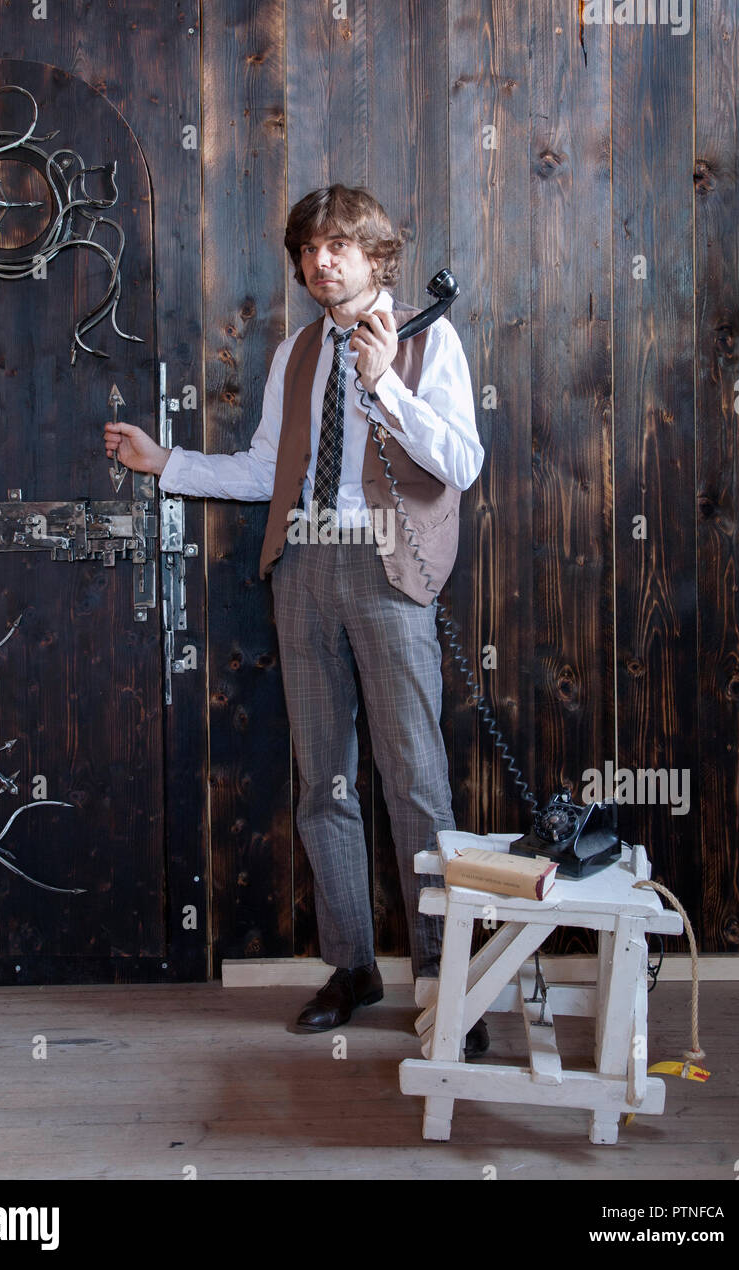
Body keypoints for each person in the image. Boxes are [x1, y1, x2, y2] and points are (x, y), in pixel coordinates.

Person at [104, 184, 490, 1057]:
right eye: (310, 249)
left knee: (416, 777)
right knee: (326, 781)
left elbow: (461, 460)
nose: (323, 261)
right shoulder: (296, 352)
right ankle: (353, 966)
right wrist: (163, 462)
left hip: (390, 562)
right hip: (304, 565)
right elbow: (259, 471)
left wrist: (388, 382)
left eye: (340, 246)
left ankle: (443, 977)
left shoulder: (431, 339)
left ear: (376, 256)